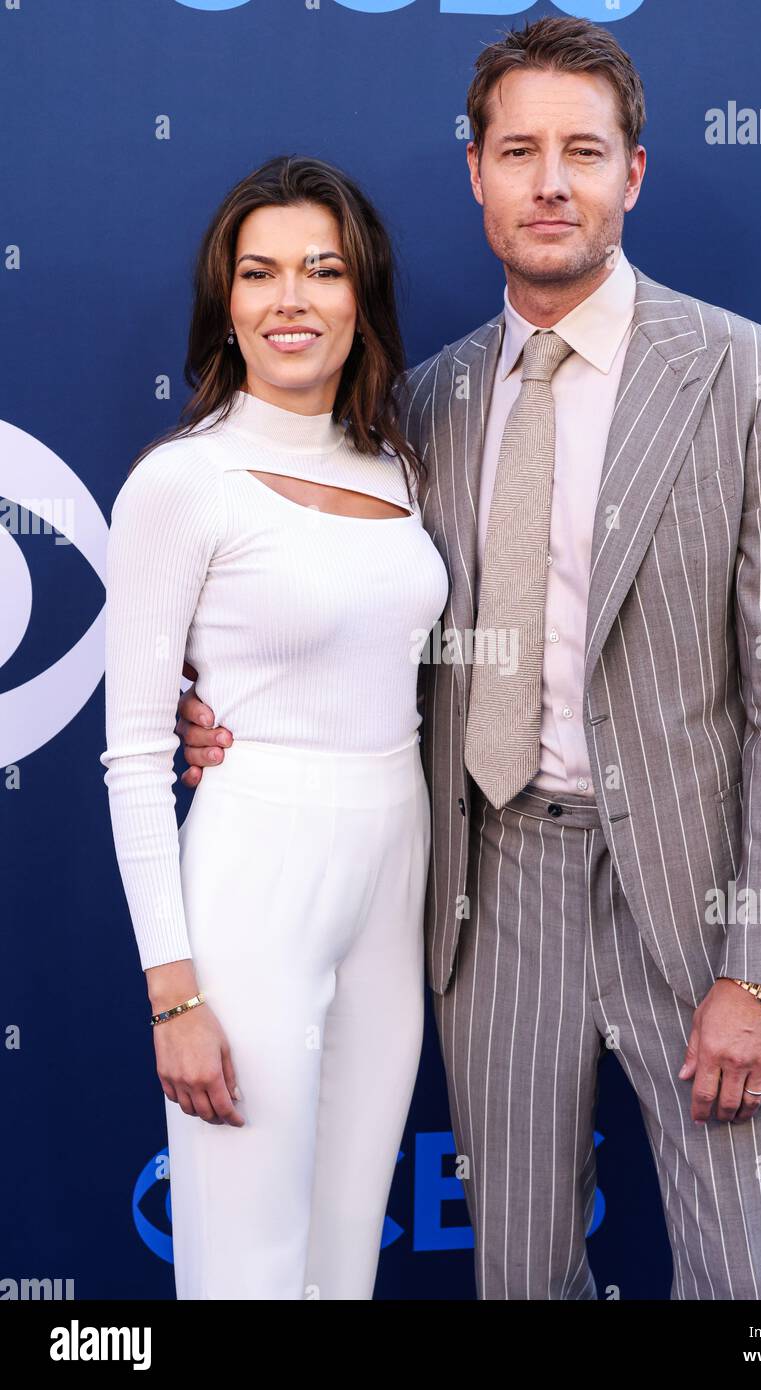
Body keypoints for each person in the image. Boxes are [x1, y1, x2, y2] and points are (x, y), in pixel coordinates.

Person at [177, 17, 761, 1299]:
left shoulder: (758, 383)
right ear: (477, 177)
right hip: (494, 893)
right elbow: (353, 614)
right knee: (518, 1272)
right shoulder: (420, 405)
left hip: (701, 904)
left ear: (632, 176)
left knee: (742, 1276)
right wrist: (220, 708)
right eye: (519, 150)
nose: (551, 181)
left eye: (582, 151)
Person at [99, 154, 449, 1300]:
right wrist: (177, 995)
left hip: (393, 871)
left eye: (322, 270)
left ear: (362, 298)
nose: (289, 298)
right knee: (246, 1268)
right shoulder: (182, 481)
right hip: (255, 877)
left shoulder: (399, 465)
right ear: (226, 303)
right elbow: (138, 752)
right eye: (258, 274)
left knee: (344, 1256)